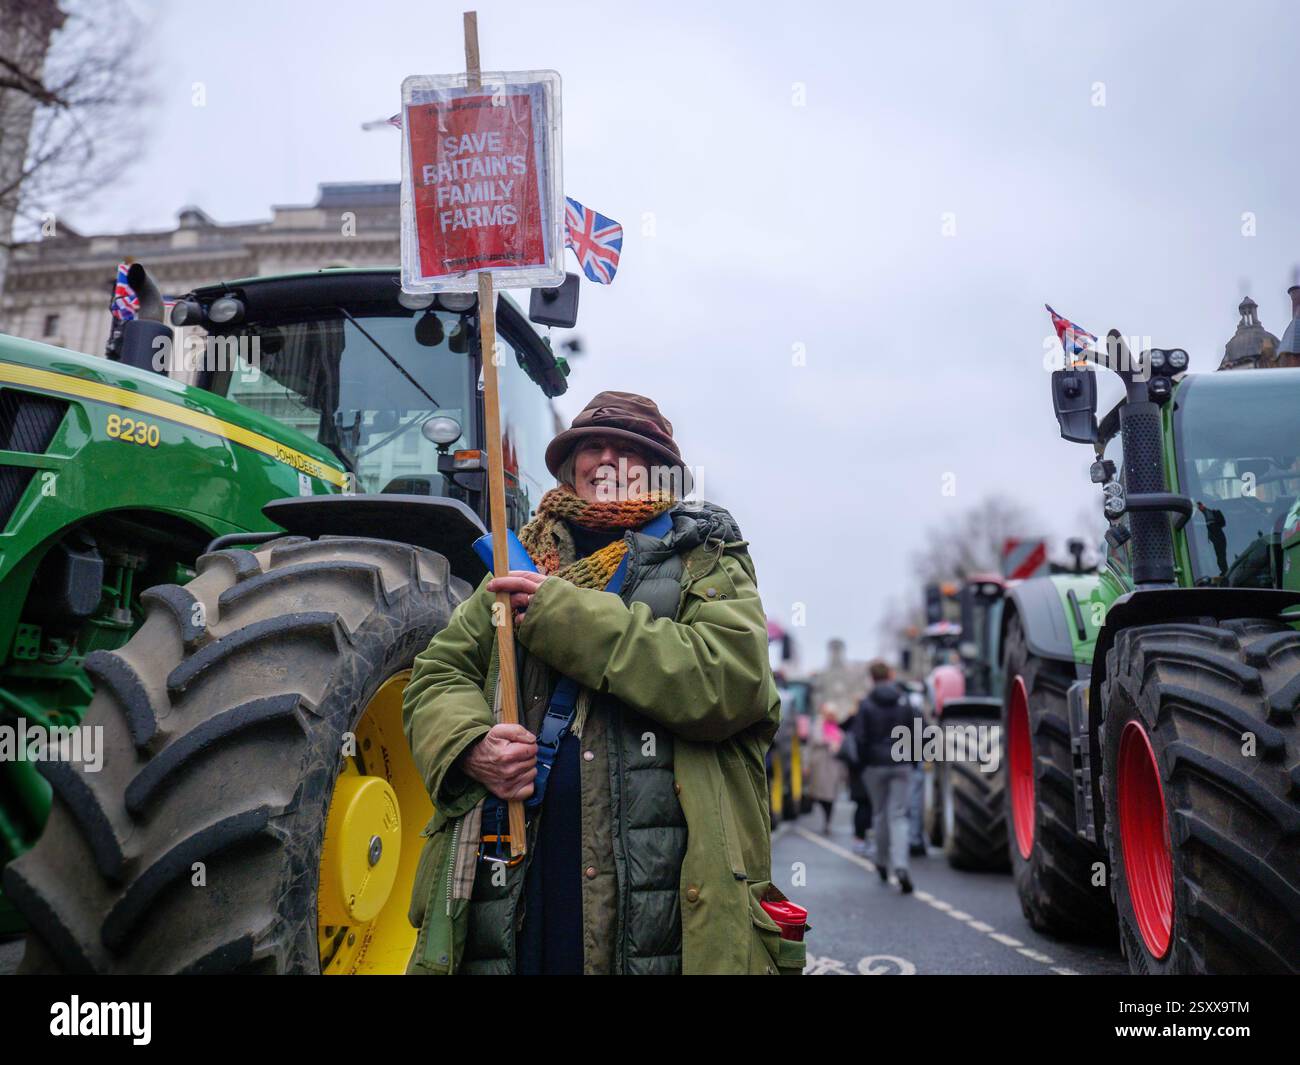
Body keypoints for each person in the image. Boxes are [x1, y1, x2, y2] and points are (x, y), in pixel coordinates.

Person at [402, 390, 795, 974]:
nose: (607, 459)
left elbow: (730, 683)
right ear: (569, 467)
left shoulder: (703, 559)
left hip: (662, 902)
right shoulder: (519, 562)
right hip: (515, 891)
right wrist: (468, 745)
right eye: (592, 446)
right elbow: (438, 675)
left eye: (629, 449)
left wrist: (564, 618)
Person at [853, 659, 917, 893]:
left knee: (879, 814)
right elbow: (917, 730)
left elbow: (859, 738)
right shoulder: (904, 700)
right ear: (890, 675)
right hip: (902, 764)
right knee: (899, 815)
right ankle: (901, 865)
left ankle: (881, 862)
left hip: (875, 765)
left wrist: (862, 764)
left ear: (871, 677)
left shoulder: (867, 703)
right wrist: (913, 760)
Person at [806, 703, 846, 834]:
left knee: (830, 796)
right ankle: (825, 816)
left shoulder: (837, 727)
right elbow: (816, 740)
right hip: (820, 765)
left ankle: (828, 820)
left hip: (834, 766)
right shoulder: (818, 724)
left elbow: (842, 740)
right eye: (829, 713)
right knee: (820, 795)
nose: (831, 716)